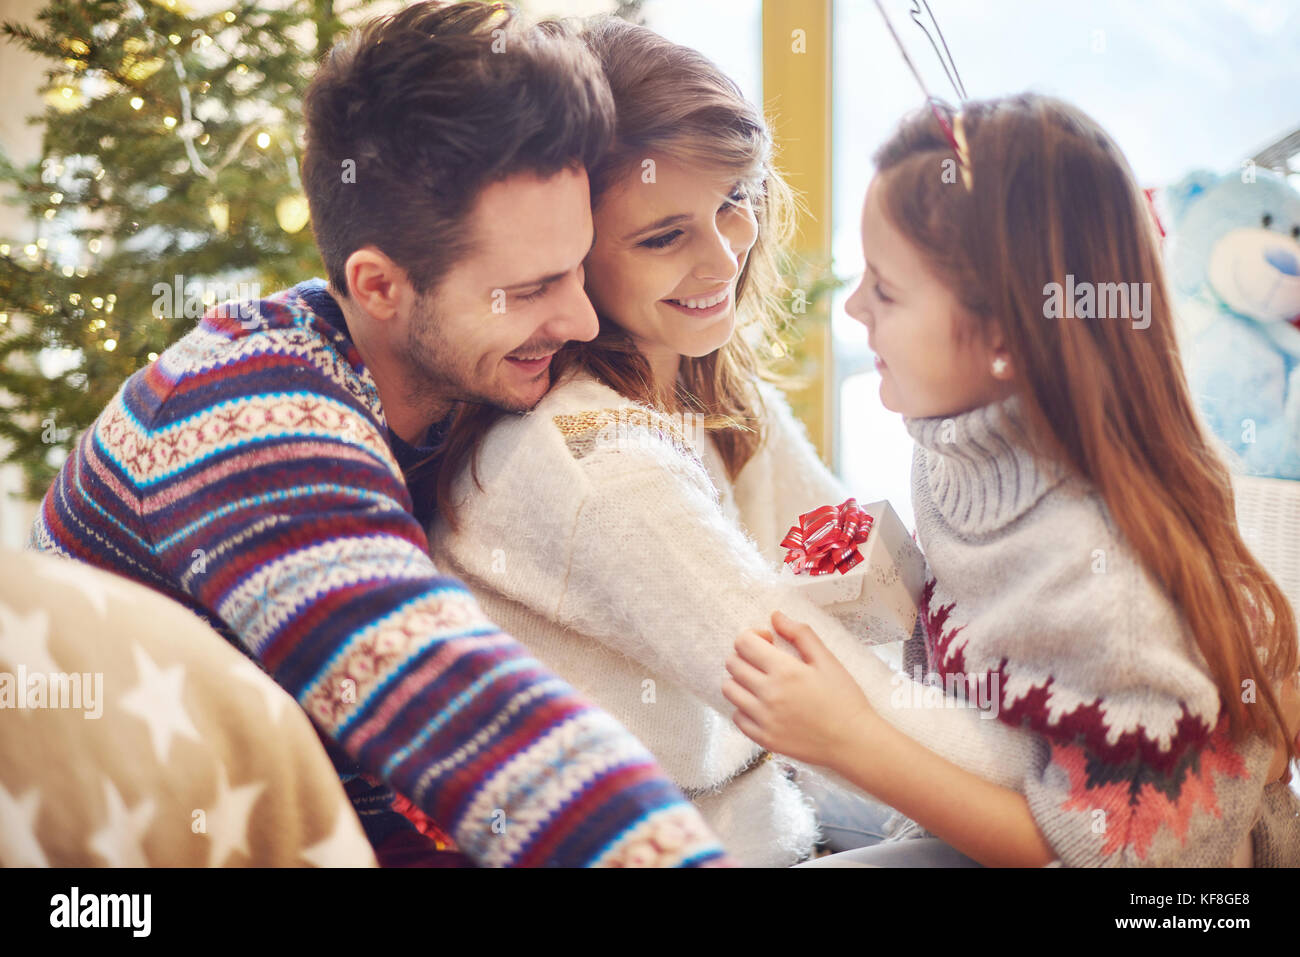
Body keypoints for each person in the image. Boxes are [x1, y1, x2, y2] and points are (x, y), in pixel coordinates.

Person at [27, 0, 732, 869]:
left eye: (578, 269)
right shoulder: (249, 421)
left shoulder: (454, 389)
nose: (582, 317)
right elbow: (446, 702)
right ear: (381, 286)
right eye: (534, 286)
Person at [425, 17, 1043, 867]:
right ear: (571, 251)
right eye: (662, 236)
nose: (723, 258)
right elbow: (834, 683)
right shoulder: (595, 468)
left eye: (735, 202)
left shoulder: (701, 377)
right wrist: (1084, 766)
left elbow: (865, 570)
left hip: (771, 808)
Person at [728, 93, 1300, 867]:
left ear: (1005, 332)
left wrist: (854, 742)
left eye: (887, 290)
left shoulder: (1109, 586)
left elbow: (1118, 868)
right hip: (1014, 791)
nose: (855, 306)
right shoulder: (957, 451)